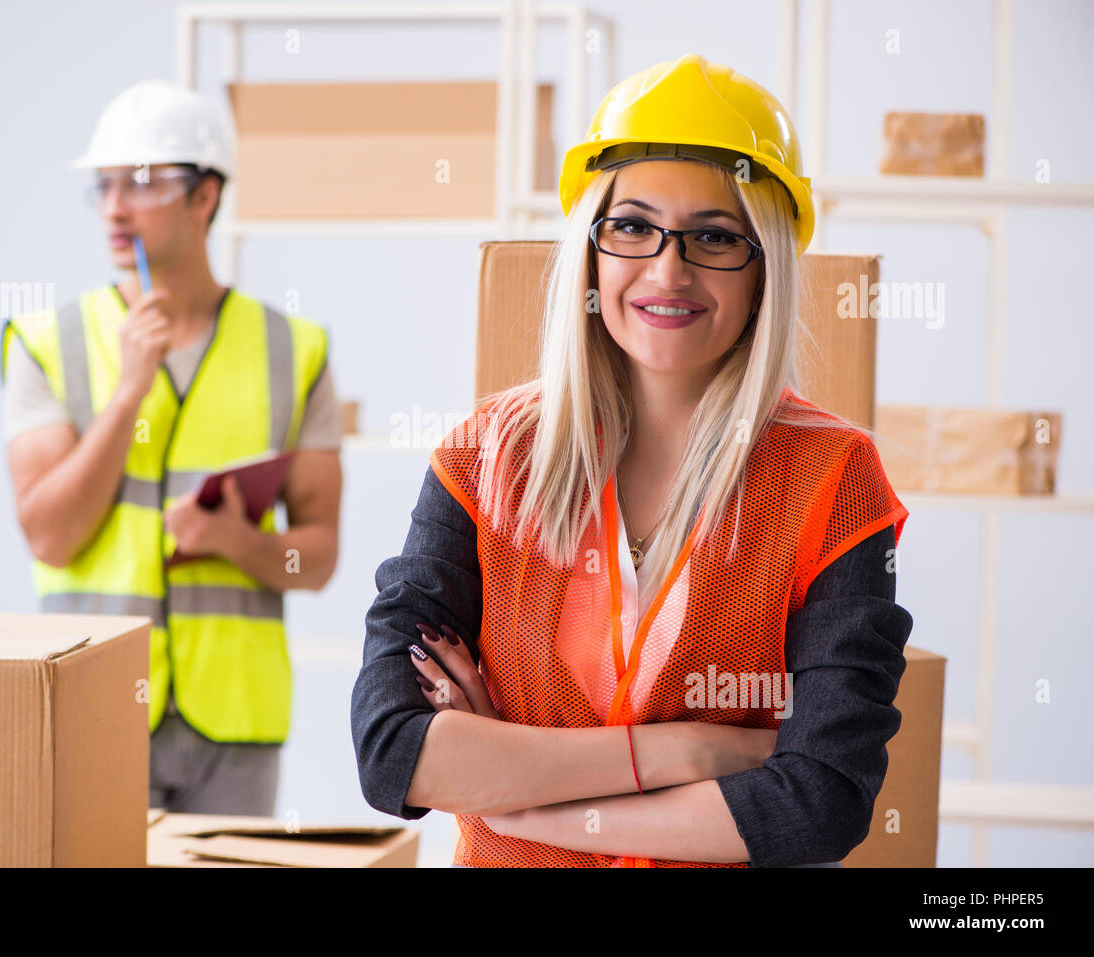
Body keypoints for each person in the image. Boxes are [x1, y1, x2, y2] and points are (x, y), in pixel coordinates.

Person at [351, 53, 913, 867]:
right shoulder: (483, 457)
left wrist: (516, 796)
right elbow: (393, 751)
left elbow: (820, 801)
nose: (668, 268)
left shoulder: (833, 479)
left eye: (716, 236)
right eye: (632, 226)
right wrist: (690, 751)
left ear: (768, 270)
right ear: (591, 250)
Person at [0, 79, 342, 816]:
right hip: (92, 709)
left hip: (236, 728)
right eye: (105, 185)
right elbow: (51, 535)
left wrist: (232, 541)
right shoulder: (47, 344)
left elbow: (314, 557)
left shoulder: (294, 350)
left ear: (205, 196)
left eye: (144, 183)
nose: (116, 207)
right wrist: (128, 393)